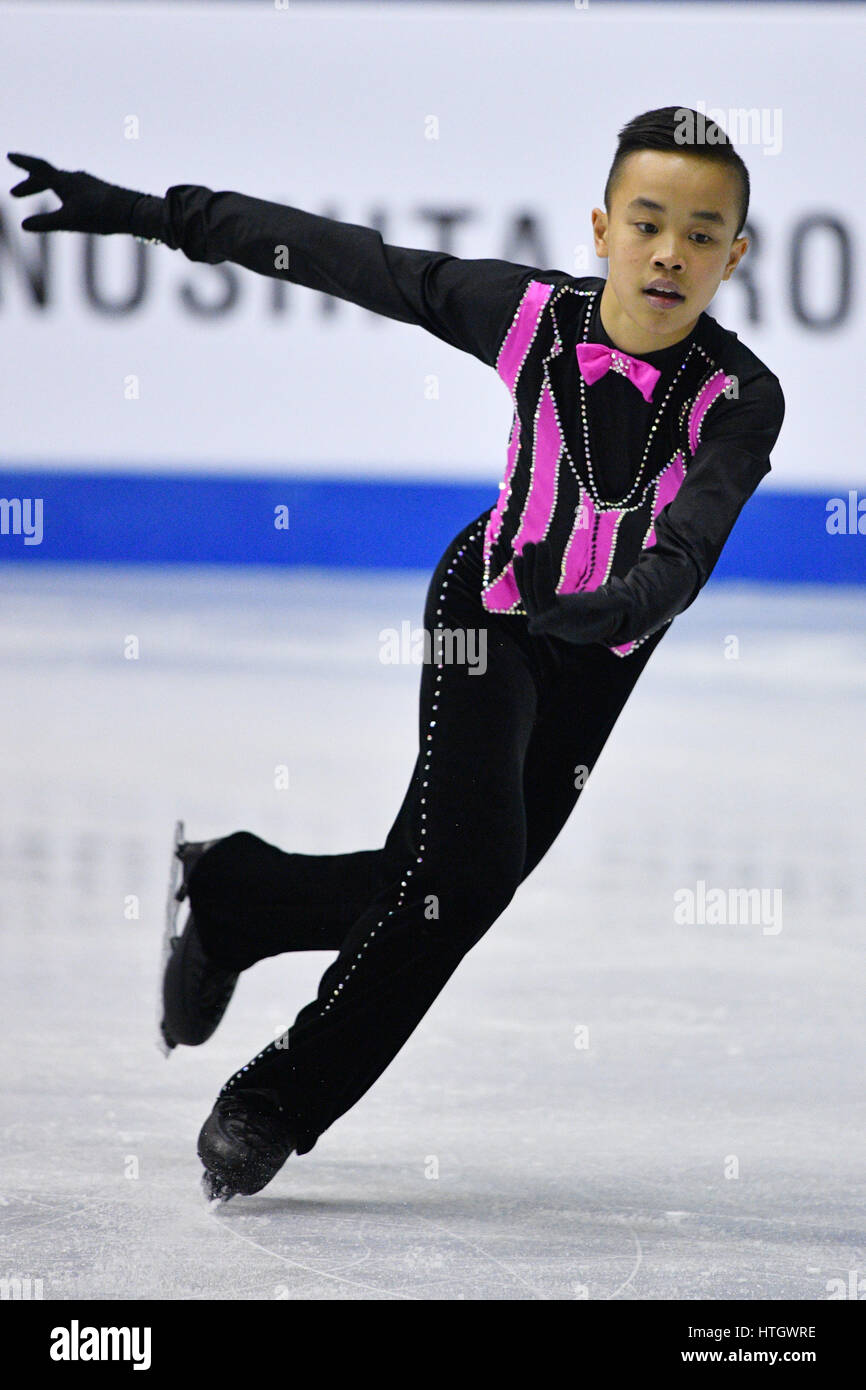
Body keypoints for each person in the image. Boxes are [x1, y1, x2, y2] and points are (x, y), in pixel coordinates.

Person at [8, 105, 785, 1202]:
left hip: (604, 648)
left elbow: (690, 542)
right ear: (603, 226)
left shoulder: (741, 396)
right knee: (460, 878)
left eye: (701, 234)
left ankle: (239, 894)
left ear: (733, 254)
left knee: (445, 877)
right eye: (648, 222)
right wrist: (142, 213)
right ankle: (274, 1099)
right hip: (488, 608)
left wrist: (613, 609)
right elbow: (336, 256)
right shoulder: (522, 314)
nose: (670, 253)